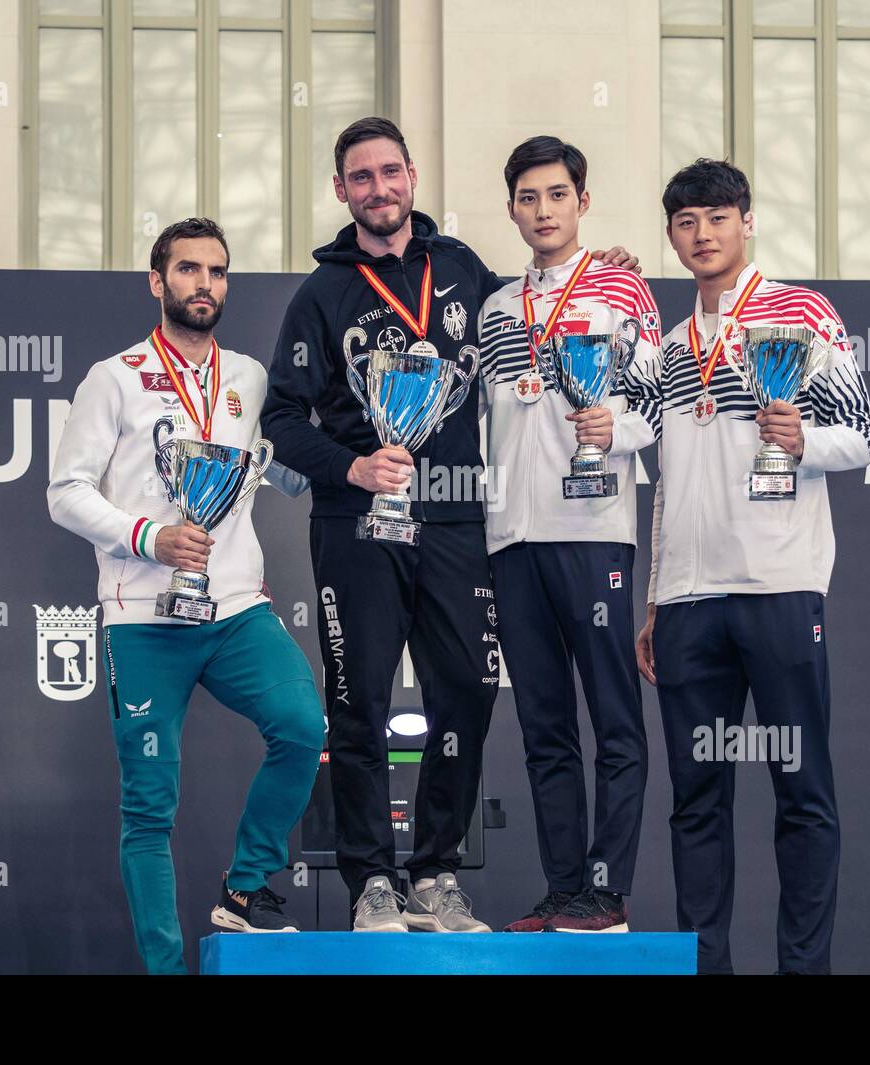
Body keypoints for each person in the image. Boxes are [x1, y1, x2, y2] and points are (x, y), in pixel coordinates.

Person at [262, 117, 638, 932]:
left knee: (466, 690)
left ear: (413, 176)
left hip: (461, 517)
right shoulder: (320, 295)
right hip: (358, 522)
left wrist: (600, 270)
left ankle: (434, 872)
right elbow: (283, 420)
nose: (379, 188)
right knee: (358, 699)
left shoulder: (466, 271)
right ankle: (373, 880)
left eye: (390, 172)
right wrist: (353, 467)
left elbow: (543, 305)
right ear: (341, 192)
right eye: (360, 177)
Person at [49, 217, 324, 973]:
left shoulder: (249, 379)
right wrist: (148, 536)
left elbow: (288, 469)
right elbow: (64, 492)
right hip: (143, 618)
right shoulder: (114, 377)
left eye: (217, 272)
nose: (205, 284)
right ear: (156, 279)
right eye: (189, 269)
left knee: (302, 724)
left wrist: (352, 454)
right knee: (148, 809)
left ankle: (243, 889)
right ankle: (167, 971)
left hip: (235, 608)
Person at [635, 158, 870, 973]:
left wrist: (804, 440)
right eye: (685, 222)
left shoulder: (801, 312)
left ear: (746, 220)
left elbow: (864, 438)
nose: (702, 234)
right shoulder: (671, 347)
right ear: (672, 236)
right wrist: (655, 599)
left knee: (801, 794)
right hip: (689, 603)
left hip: (777, 588)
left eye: (716, 217)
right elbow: (666, 483)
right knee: (697, 801)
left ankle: (803, 970)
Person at [477, 136, 663, 933]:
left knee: (613, 715)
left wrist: (609, 424)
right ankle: (564, 890)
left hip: (593, 528)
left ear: (582, 202)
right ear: (513, 206)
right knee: (544, 725)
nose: (543, 210)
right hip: (513, 536)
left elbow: (654, 406)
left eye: (557, 195)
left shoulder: (624, 292)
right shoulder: (493, 311)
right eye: (528, 197)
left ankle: (608, 890)